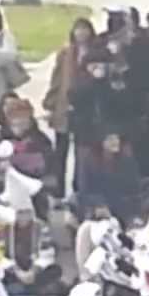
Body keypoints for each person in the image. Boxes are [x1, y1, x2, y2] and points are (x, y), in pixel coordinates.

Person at [44, 18, 96, 185]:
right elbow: (57, 77)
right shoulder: (65, 52)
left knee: (82, 151)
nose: (81, 33)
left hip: (84, 108)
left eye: (84, 29)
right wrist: (51, 101)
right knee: (61, 149)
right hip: (64, 105)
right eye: (78, 29)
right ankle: (58, 187)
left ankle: (78, 187)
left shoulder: (94, 52)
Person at [75, 128, 144, 226]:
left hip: (123, 208)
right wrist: (99, 206)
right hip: (97, 208)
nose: (115, 142)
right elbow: (85, 190)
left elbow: (134, 190)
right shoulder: (89, 161)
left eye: (116, 138)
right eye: (110, 139)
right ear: (102, 142)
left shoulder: (127, 162)